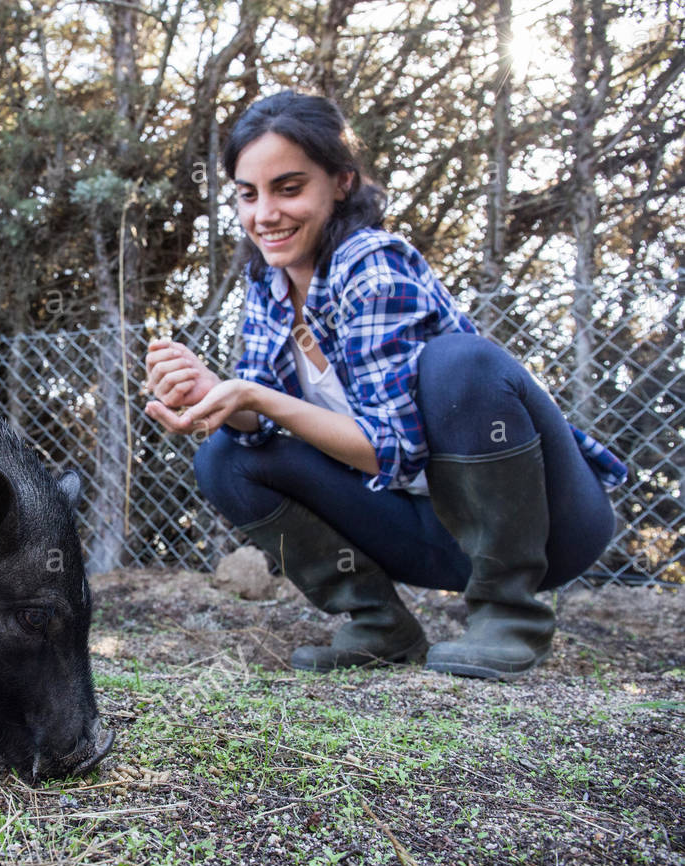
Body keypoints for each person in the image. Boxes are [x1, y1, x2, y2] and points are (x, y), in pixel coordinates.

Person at [144, 90, 627, 679]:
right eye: (248, 195)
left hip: (552, 526)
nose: (264, 214)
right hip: (432, 534)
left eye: (289, 188)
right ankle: (377, 623)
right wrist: (217, 396)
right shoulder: (267, 286)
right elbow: (266, 423)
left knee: (462, 364)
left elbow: (388, 450)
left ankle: (509, 614)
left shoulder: (372, 265)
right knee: (226, 457)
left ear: (341, 183)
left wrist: (254, 395)